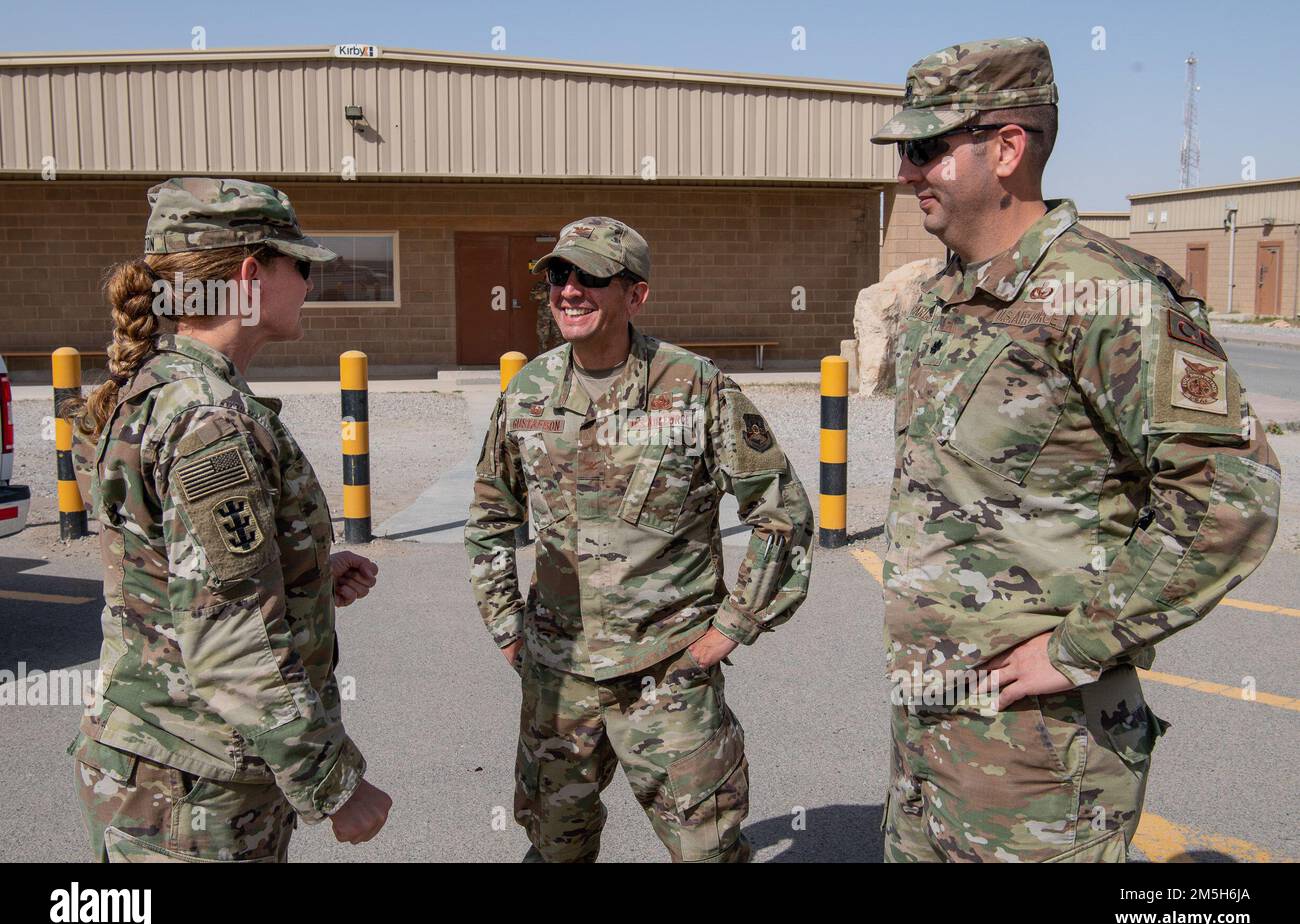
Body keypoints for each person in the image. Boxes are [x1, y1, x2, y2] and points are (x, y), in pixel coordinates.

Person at [871, 38, 1280, 862]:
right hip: (928, 728)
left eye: (926, 150)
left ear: (1009, 148)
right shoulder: (943, 299)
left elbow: (1229, 495)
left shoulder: (1109, 296)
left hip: (1040, 758)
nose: (908, 174)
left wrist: (1079, 644)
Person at [465, 217, 814, 862]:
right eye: (558, 276)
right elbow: (490, 517)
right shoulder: (529, 391)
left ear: (636, 295)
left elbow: (781, 513)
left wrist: (731, 629)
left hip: (668, 671)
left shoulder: (692, 386)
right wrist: (506, 628)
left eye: (591, 277)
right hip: (559, 676)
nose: (569, 291)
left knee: (706, 849)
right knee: (554, 847)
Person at [66, 177, 392, 862]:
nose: (308, 284)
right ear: (250, 274)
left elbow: (169, 571)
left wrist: (301, 574)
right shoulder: (209, 418)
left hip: (159, 765)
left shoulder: (157, 386)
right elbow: (230, 639)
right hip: (192, 787)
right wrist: (333, 785)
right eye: (298, 266)